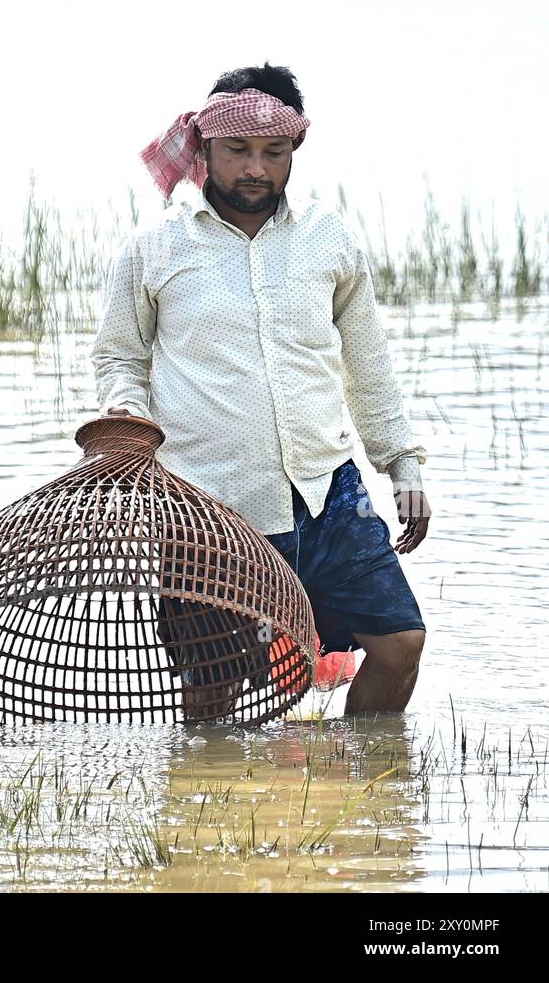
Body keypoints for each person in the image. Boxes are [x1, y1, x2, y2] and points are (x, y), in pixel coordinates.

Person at [91, 64, 431, 719]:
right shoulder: (156, 247)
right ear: (205, 150)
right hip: (207, 505)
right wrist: (123, 410)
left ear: (294, 151)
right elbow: (120, 355)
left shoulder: (327, 238)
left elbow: (368, 363)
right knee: (214, 685)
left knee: (399, 644)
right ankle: (208, 810)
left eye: (273, 154)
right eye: (238, 152)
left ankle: (360, 793)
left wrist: (403, 466)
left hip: (326, 491)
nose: (256, 169)